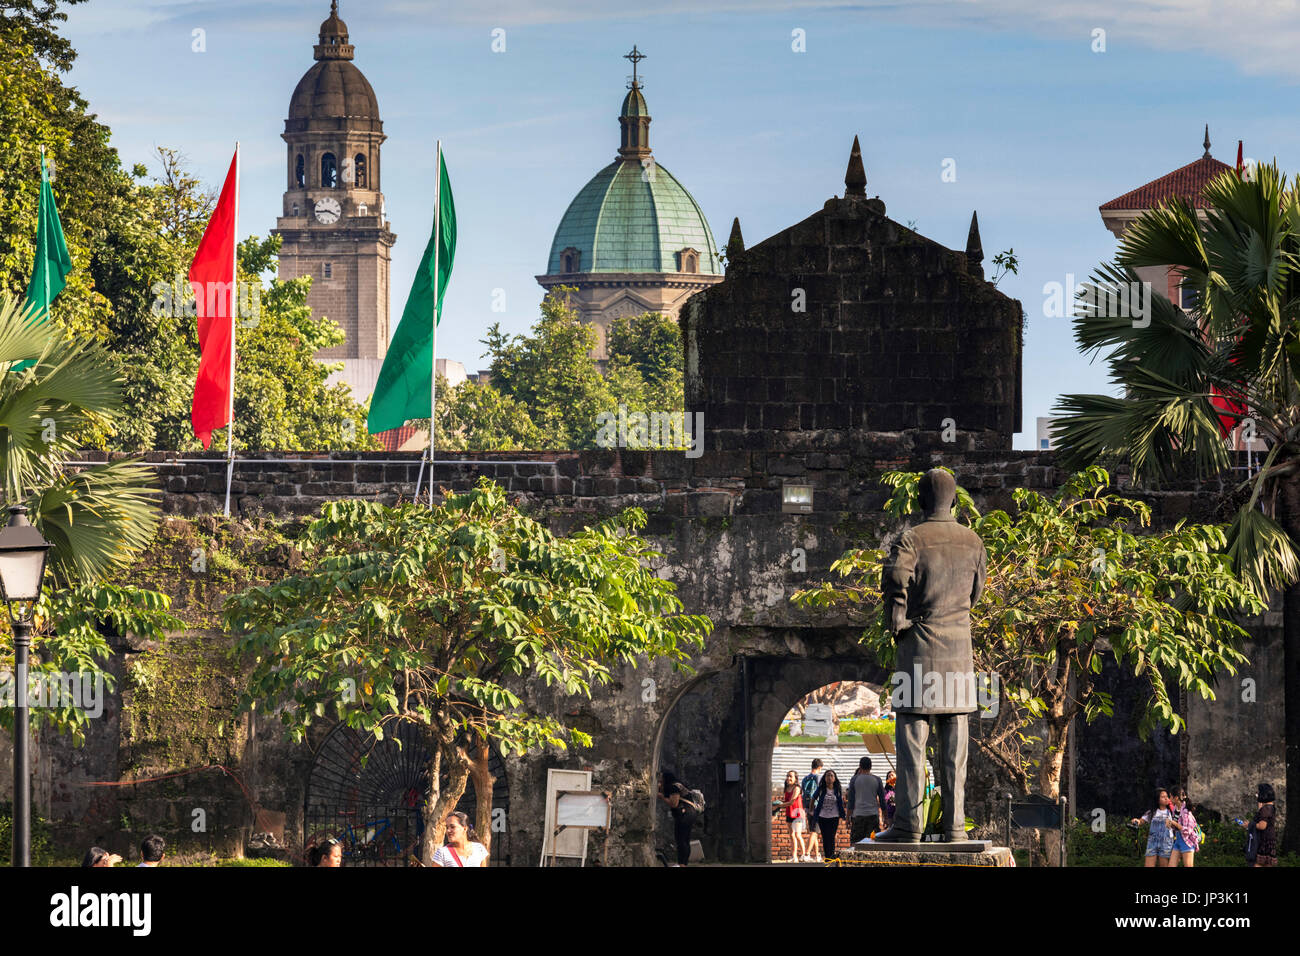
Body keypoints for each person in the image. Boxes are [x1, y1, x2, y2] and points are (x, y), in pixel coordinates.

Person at [874, 469, 988, 844]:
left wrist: (898, 618)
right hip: (959, 652)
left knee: (912, 744)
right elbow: (976, 593)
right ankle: (955, 828)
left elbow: (894, 578)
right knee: (956, 751)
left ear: (921, 501)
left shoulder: (912, 538)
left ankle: (909, 825)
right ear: (954, 501)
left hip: (919, 649)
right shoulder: (973, 541)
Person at [658, 770, 700, 867]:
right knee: (685, 839)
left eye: (661, 778)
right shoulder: (678, 785)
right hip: (690, 813)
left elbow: (674, 803)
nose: (660, 780)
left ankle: (682, 863)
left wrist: (662, 797)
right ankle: (684, 863)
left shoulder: (674, 787)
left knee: (680, 839)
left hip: (684, 814)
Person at [1130, 788, 1176, 867]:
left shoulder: (1172, 812)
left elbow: (1175, 826)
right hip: (1152, 842)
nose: (1166, 798)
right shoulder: (1152, 812)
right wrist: (1136, 821)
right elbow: (1141, 820)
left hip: (1166, 842)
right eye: (1163, 797)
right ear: (1157, 800)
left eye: (1167, 796)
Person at [847, 756, 887, 843]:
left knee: (856, 844)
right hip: (873, 816)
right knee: (872, 843)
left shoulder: (854, 779)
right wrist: (885, 817)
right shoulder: (877, 779)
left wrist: (847, 818)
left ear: (860, 766)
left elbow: (851, 801)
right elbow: (883, 801)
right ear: (871, 766)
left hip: (858, 815)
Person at [811, 769, 848, 860]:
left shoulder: (837, 790)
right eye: (827, 775)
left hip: (834, 817)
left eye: (831, 776)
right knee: (825, 837)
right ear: (824, 778)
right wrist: (811, 810)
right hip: (822, 817)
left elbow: (841, 802)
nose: (829, 777)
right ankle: (827, 857)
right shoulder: (821, 789)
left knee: (831, 837)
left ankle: (831, 856)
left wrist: (843, 813)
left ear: (834, 779)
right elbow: (813, 798)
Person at [774, 770, 807, 862]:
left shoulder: (797, 788)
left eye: (790, 776)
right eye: (787, 776)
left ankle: (804, 855)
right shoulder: (787, 788)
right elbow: (787, 802)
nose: (788, 778)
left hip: (798, 813)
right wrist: (778, 805)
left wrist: (779, 805)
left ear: (795, 779)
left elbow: (792, 802)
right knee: (791, 835)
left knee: (797, 835)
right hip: (789, 813)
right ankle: (794, 857)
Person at [1246, 782, 1277, 868]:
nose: (1257, 795)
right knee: (1267, 862)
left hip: (1264, 838)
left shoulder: (1265, 809)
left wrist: (1250, 824)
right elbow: (1263, 817)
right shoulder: (1271, 807)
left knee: (1258, 863)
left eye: (1258, 793)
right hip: (1270, 838)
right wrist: (1260, 806)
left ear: (1263, 794)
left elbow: (1262, 826)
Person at [1168, 790, 1199, 868]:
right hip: (1178, 840)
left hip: (1186, 841)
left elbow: (1187, 830)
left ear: (1176, 798)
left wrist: (1174, 824)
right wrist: (1171, 824)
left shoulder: (1186, 811)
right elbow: (1176, 825)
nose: (1169, 798)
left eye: (1170, 796)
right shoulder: (1175, 808)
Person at [800, 759, 824, 861]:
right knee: (814, 832)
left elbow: (803, 792)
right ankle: (806, 854)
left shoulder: (805, 778)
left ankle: (817, 856)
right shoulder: (819, 777)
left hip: (808, 807)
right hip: (817, 807)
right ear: (820, 767)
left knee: (813, 831)